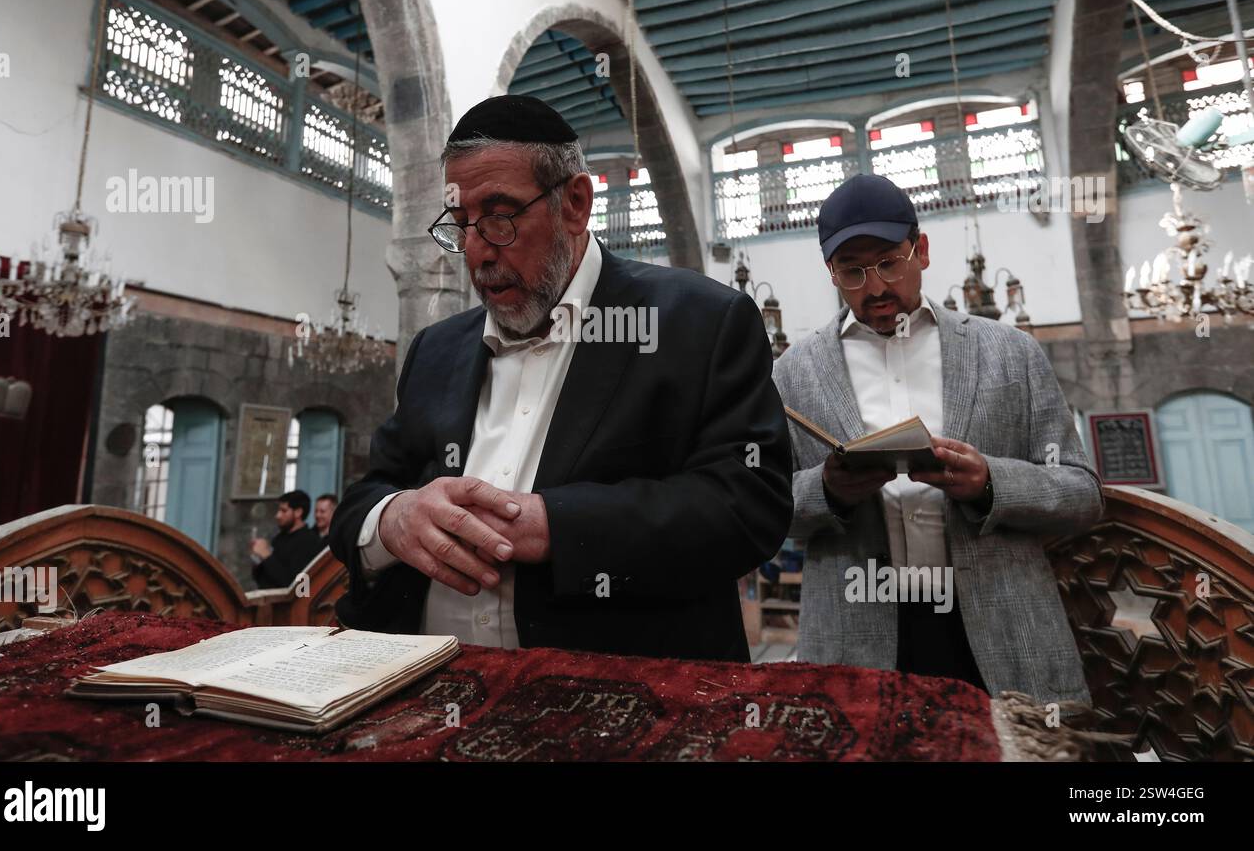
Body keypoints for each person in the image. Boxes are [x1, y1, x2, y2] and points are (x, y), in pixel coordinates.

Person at [327, 94, 792, 661]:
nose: (476, 253)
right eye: (459, 225)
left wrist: (557, 527)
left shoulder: (698, 322)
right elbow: (365, 495)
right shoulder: (437, 349)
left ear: (574, 203)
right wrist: (393, 519)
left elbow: (749, 505)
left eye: (499, 219)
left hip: (617, 706)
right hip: (421, 695)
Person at [772, 173, 1102, 703]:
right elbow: (766, 511)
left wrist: (991, 484)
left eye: (888, 262)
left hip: (1003, 627)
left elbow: (1083, 495)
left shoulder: (1009, 354)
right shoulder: (793, 374)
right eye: (853, 272)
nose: (876, 287)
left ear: (920, 250)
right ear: (830, 272)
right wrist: (828, 491)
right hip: (858, 634)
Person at [251, 490, 324, 589]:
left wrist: (266, 555)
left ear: (298, 512)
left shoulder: (309, 541)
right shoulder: (279, 538)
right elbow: (263, 578)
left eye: (284, 511)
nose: (277, 515)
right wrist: (257, 558)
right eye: (278, 510)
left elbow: (294, 585)